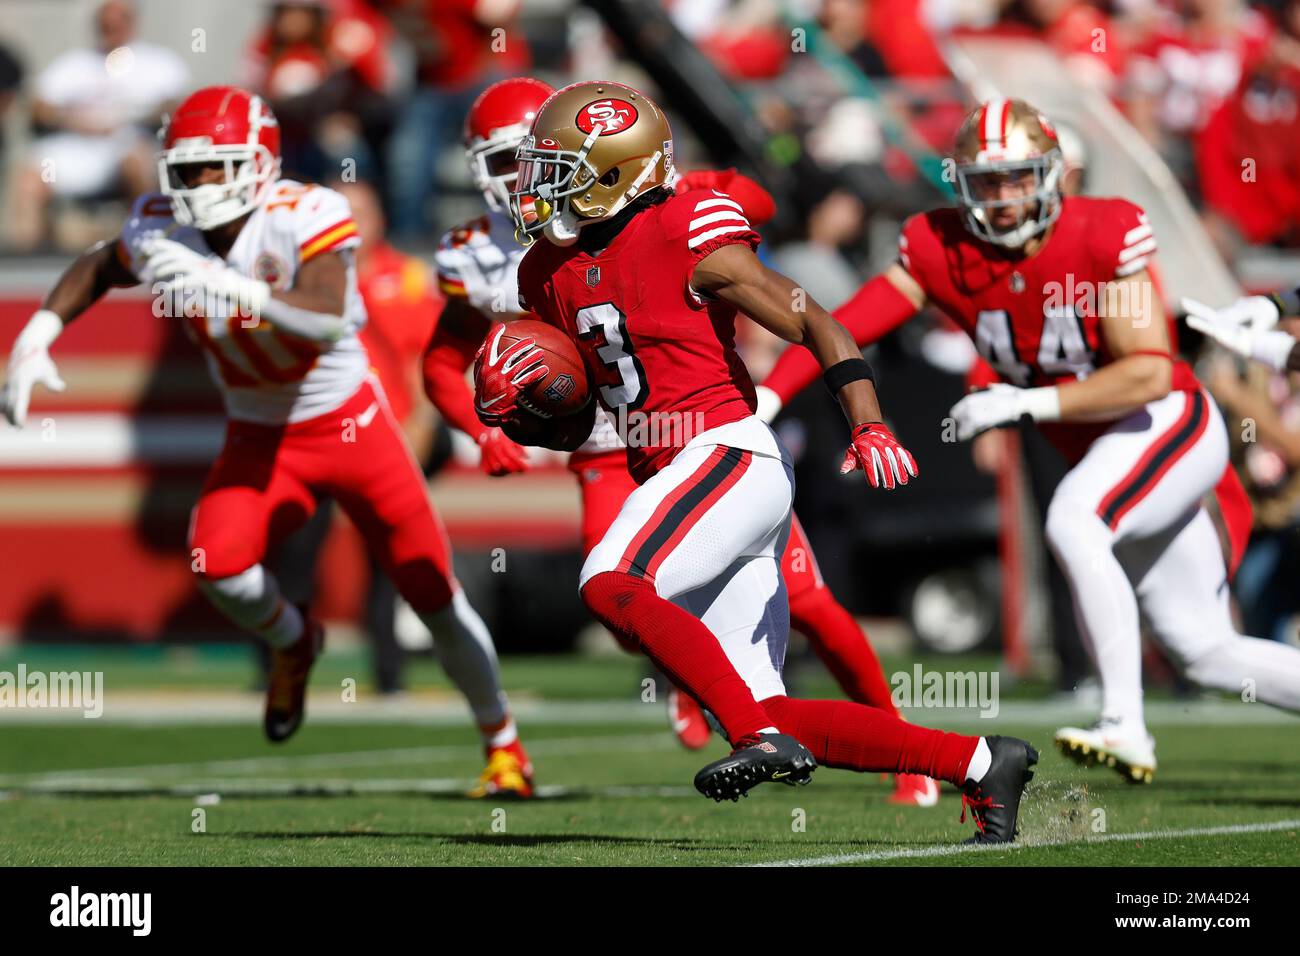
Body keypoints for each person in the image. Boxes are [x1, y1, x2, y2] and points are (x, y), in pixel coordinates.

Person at [482, 79, 1037, 842]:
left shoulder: (686, 226)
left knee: (611, 580)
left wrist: (867, 425)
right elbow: (585, 416)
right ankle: (981, 763)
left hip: (725, 450)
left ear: (616, 173)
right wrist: (525, 413)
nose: (538, 188)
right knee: (764, 706)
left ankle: (757, 738)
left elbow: (818, 322)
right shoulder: (542, 273)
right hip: (672, 470)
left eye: (560, 171)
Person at [0, 85, 532, 800]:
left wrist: (226, 285)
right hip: (259, 431)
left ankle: (502, 742)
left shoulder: (307, 211)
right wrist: (39, 334)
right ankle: (294, 641)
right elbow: (100, 264)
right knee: (216, 562)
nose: (195, 185)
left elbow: (323, 316)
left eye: (213, 168)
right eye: (185, 170)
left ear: (257, 164)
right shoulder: (163, 226)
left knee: (432, 591)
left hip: (350, 424)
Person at [757, 98, 1300, 784]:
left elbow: (1150, 371)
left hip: (1166, 423)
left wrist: (1029, 400)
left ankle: (1124, 723)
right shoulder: (938, 246)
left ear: (1053, 175)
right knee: (1205, 651)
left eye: (1018, 177)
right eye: (988, 182)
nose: (1005, 197)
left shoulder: (1108, 231)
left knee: (1074, 519)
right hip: (1104, 448)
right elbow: (844, 325)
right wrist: (769, 398)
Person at [7, 0, 189, 252]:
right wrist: (72, 119)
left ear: (132, 22)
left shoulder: (158, 63)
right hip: (78, 150)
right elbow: (38, 107)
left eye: (118, 21)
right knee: (30, 177)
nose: (111, 28)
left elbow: (173, 106)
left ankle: (148, 247)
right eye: (106, 23)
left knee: (136, 163)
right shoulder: (74, 63)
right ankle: (29, 260)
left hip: (128, 145)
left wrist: (129, 116)